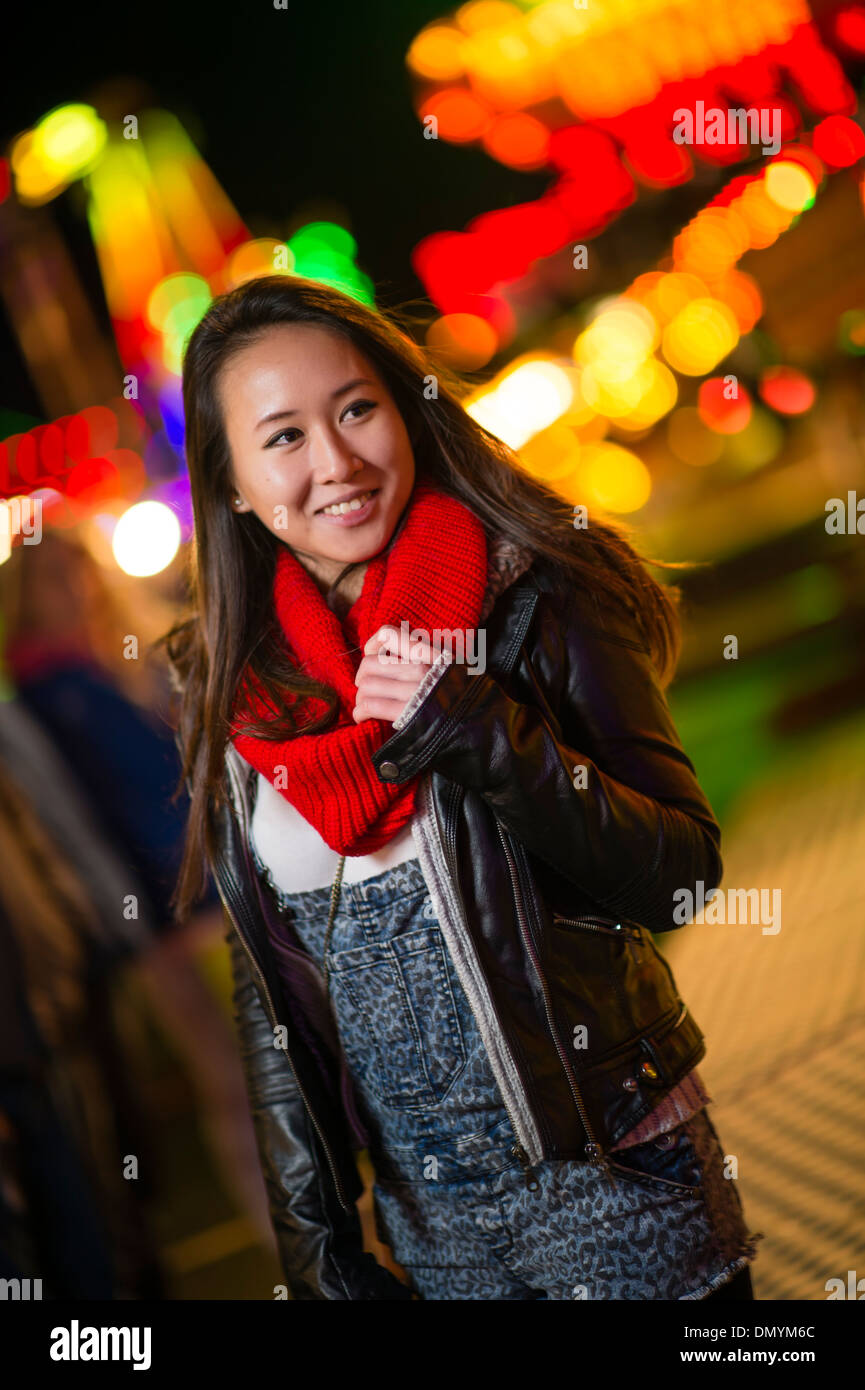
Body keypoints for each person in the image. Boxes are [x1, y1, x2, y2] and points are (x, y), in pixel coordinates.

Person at [160, 273, 763, 1301]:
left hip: (621, 1180)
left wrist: (476, 728)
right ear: (230, 485)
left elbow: (677, 879)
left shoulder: (539, 594)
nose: (338, 462)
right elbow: (274, 1006)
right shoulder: (236, 691)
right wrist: (316, 1254)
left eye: (356, 409)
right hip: (431, 1232)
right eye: (284, 437)